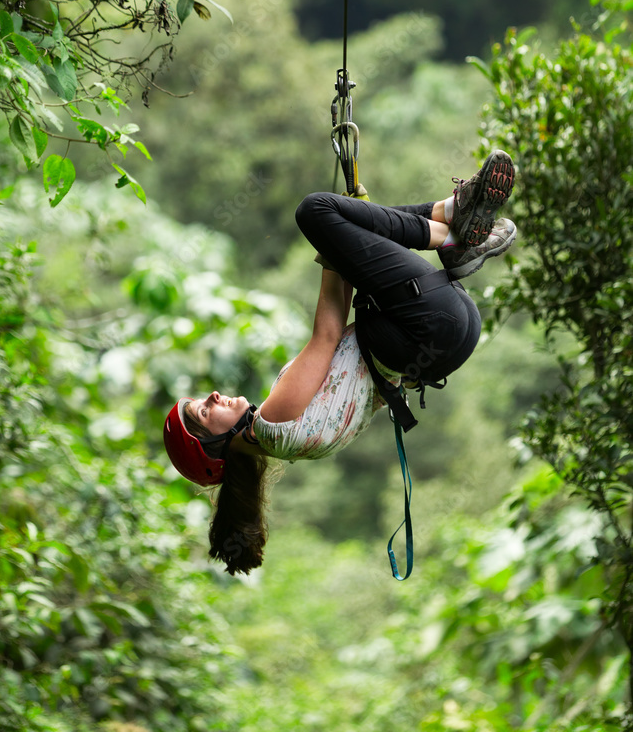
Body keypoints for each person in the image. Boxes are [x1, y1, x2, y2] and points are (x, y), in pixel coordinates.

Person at [163, 150, 516, 575]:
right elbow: (327, 333)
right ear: (216, 448)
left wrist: (342, 244)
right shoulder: (273, 424)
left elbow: (338, 330)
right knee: (314, 211)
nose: (213, 396)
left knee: (349, 219)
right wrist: (334, 242)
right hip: (423, 322)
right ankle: (453, 236)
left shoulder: (292, 445)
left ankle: (450, 216)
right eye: (205, 412)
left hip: (445, 329)